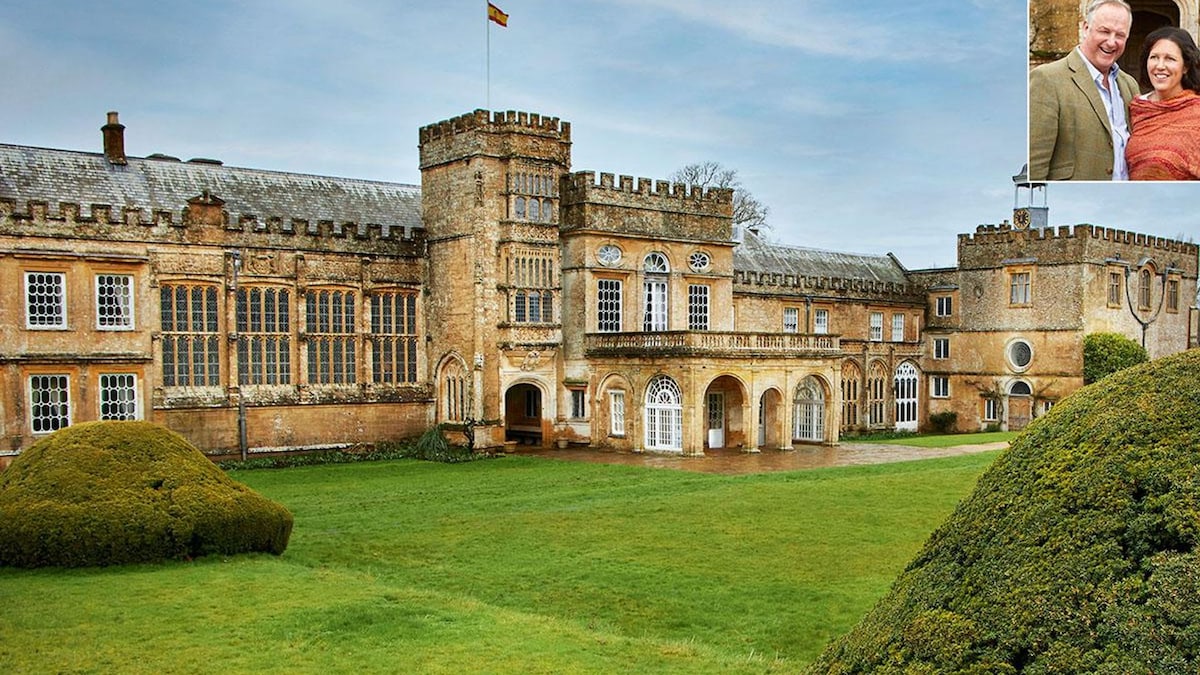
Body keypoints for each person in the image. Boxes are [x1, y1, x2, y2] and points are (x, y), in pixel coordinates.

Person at [1029, 0, 1139, 181]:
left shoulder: (1129, 85)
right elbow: (1035, 165)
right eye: (1104, 31)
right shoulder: (1047, 79)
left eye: (1120, 35)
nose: (1111, 42)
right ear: (1086, 28)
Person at [1125, 27, 1200, 180]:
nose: (1160, 66)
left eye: (1170, 59)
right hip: (1136, 195)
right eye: (1154, 57)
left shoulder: (1195, 112)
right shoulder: (1137, 109)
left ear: (1185, 67)